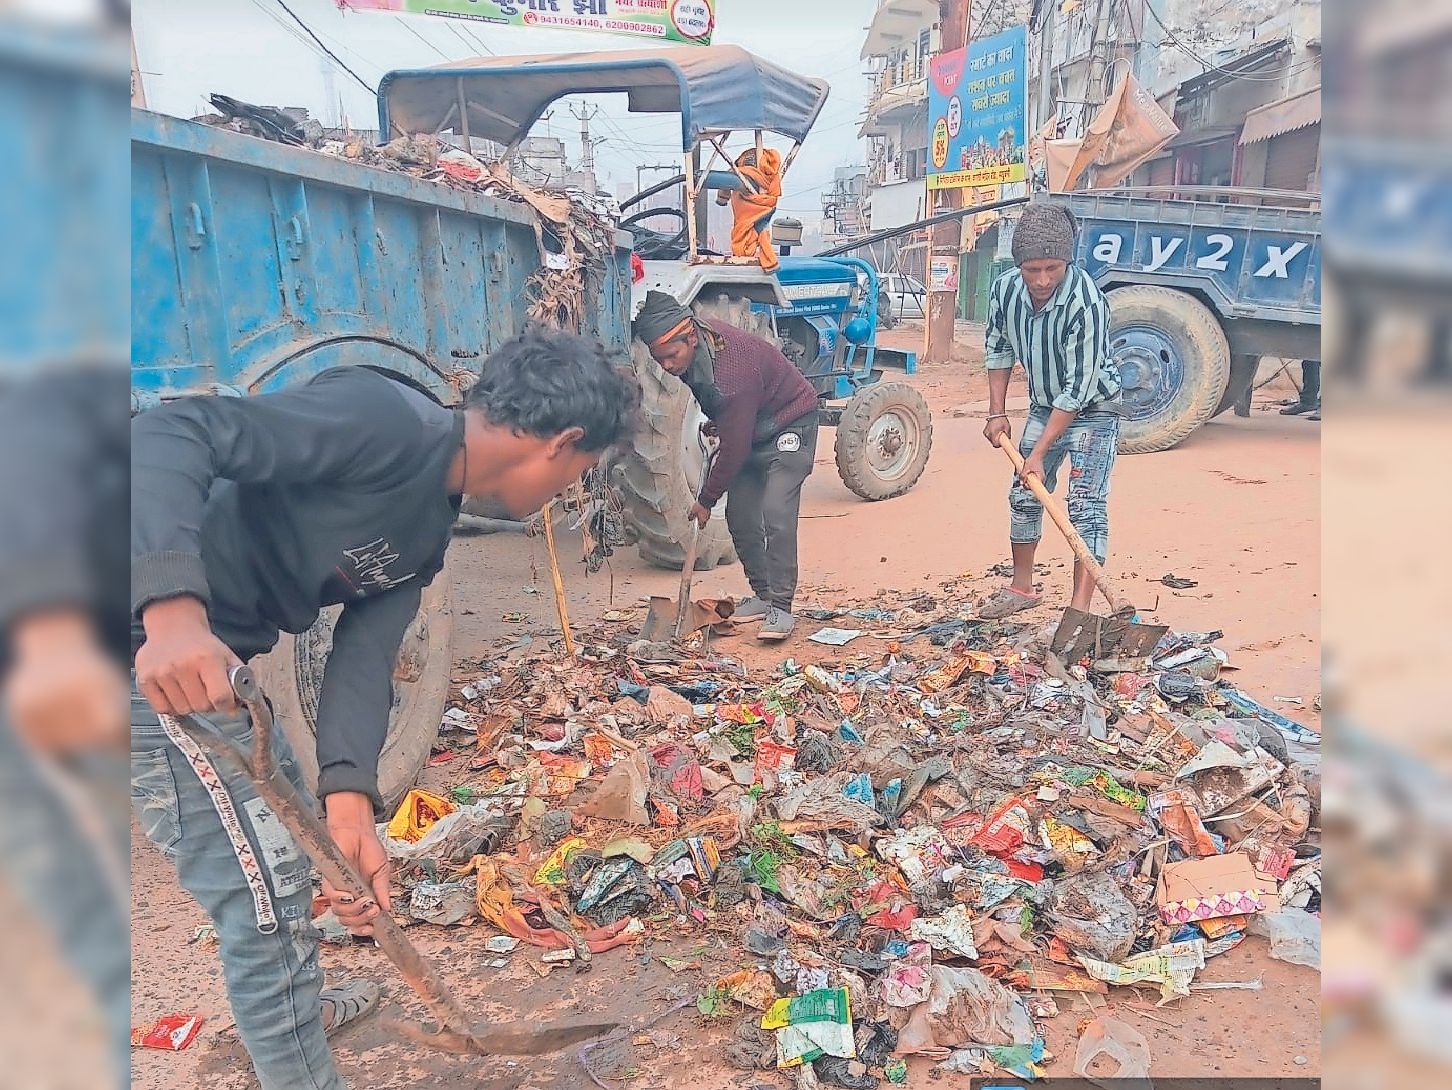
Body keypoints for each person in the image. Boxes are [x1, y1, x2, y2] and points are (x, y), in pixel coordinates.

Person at [130, 328, 639, 1090]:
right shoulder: (384, 420)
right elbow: (171, 431)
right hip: (136, 649)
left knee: (297, 852)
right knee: (262, 902)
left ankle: (294, 1005)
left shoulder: (429, 530)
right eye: (581, 472)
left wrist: (349, 805)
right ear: (562, 444)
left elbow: (365, 660)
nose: (569, 490)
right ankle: (294, 1046)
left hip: (216, 665)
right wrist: (171, 612)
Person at [632, 291, 820, 641]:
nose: (667, 366)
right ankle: (764, 595)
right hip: (754, 427)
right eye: (659, 360)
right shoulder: (695, 354)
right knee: (740, 515)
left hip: (791, 422)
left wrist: (705, 500)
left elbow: (734, 449)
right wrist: (726, 422)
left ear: (691, 337)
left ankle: (781, 607)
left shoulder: (732, 368)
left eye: (671, 356)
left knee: (776, 511)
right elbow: (727, 411)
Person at [979, 200, 1123, 618]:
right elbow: (998, 348)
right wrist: (996, 412)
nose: (1042, 280)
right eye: (1032, 270)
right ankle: (1022, 588)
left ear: (1067, 262)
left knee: (1086, 507)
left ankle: (1080, 610)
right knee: (1023, 494)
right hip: (1045, 406)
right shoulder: (1004, 290)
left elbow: (1077, 390)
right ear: (1019, 266)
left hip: (1094, 409)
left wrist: (1038, 454)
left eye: (1052, 269)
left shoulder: (1087, 303)